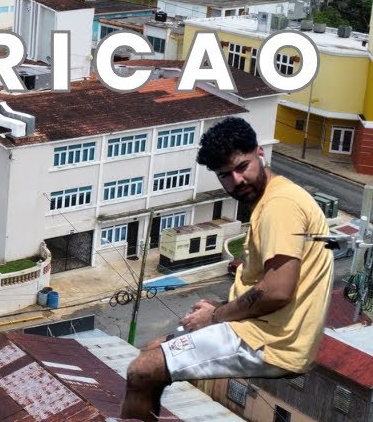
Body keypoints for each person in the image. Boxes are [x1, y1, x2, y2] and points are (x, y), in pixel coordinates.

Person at [121, 117, 333, 421]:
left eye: (242, 167)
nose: (236, 181)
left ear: (260, 152)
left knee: (143, 370)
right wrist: (220, 307)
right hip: (263, 327)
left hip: (274, 342)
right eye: (225, 175)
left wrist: (215, 316)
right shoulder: (269, 200)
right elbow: (264, 284)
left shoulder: (280, 205)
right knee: (151, 349)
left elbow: (277, 291)